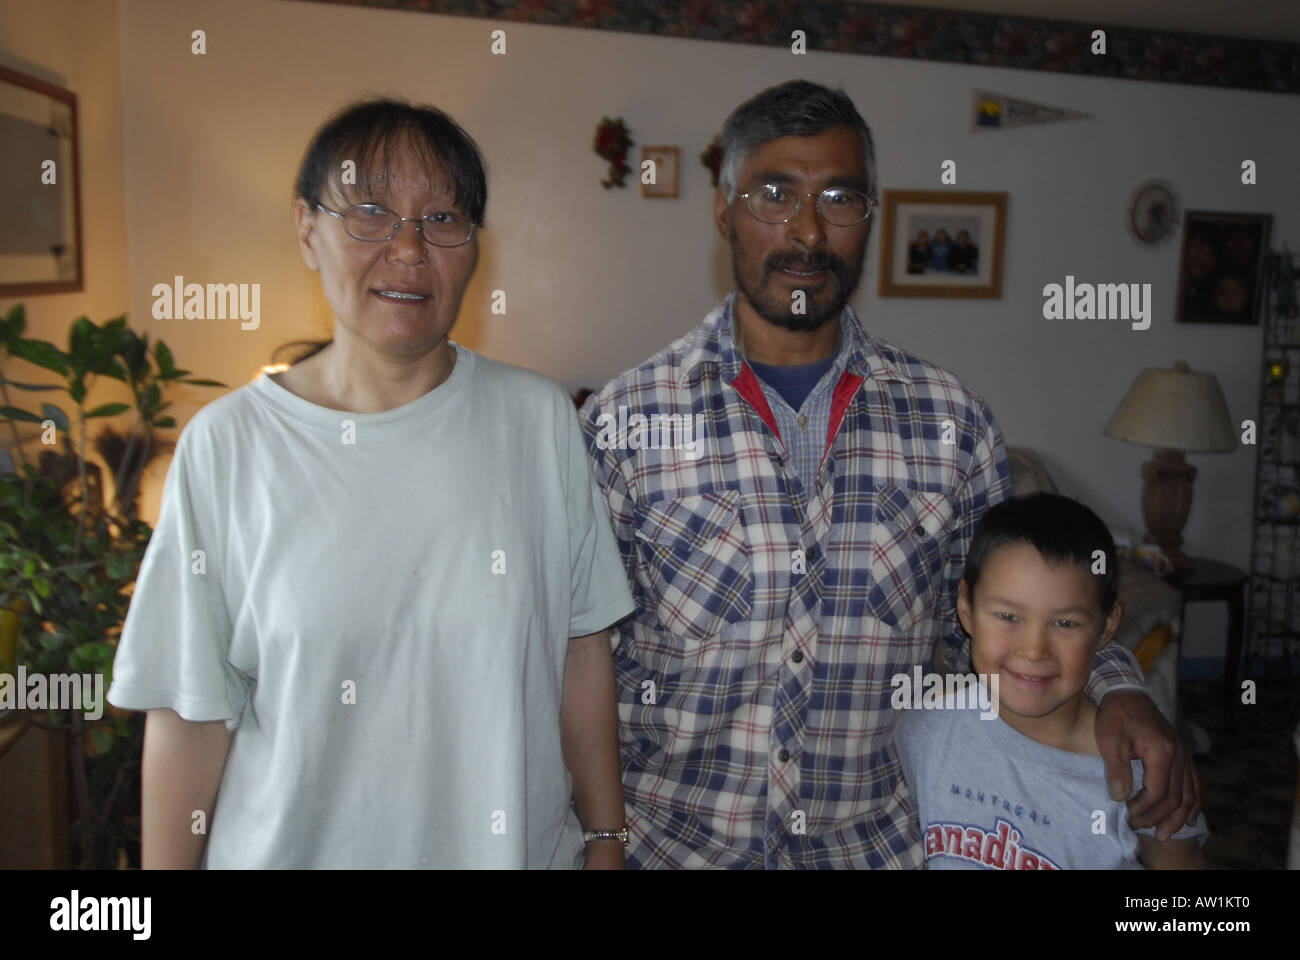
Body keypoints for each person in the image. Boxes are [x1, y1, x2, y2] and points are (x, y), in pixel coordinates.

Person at [580, 79, 1199, 869]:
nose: (807, 230)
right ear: (723, 209)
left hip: (868, 851)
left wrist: (1124, 689)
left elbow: (1022, 611)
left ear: (869, 215)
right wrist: (601, 840)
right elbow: (581, 653)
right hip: (671, 850)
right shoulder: (624, 423)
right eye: (774, 194)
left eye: (839, 197)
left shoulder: (955, 429)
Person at [107, 98, 634, 869]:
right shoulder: (227, 447)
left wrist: (606, 839)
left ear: (475, 248)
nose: (409, 250)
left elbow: (582, 651)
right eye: (370, 214)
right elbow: (191, 713)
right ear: (306, 229)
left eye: (443, 218)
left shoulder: (537, 422)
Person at [894, 493, 1208, 869]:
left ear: (1107, 627)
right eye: (1008, 616)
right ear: (966, 609)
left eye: (1065, 623)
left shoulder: (1139, 767)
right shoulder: (920, 733)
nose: (1033, 649)